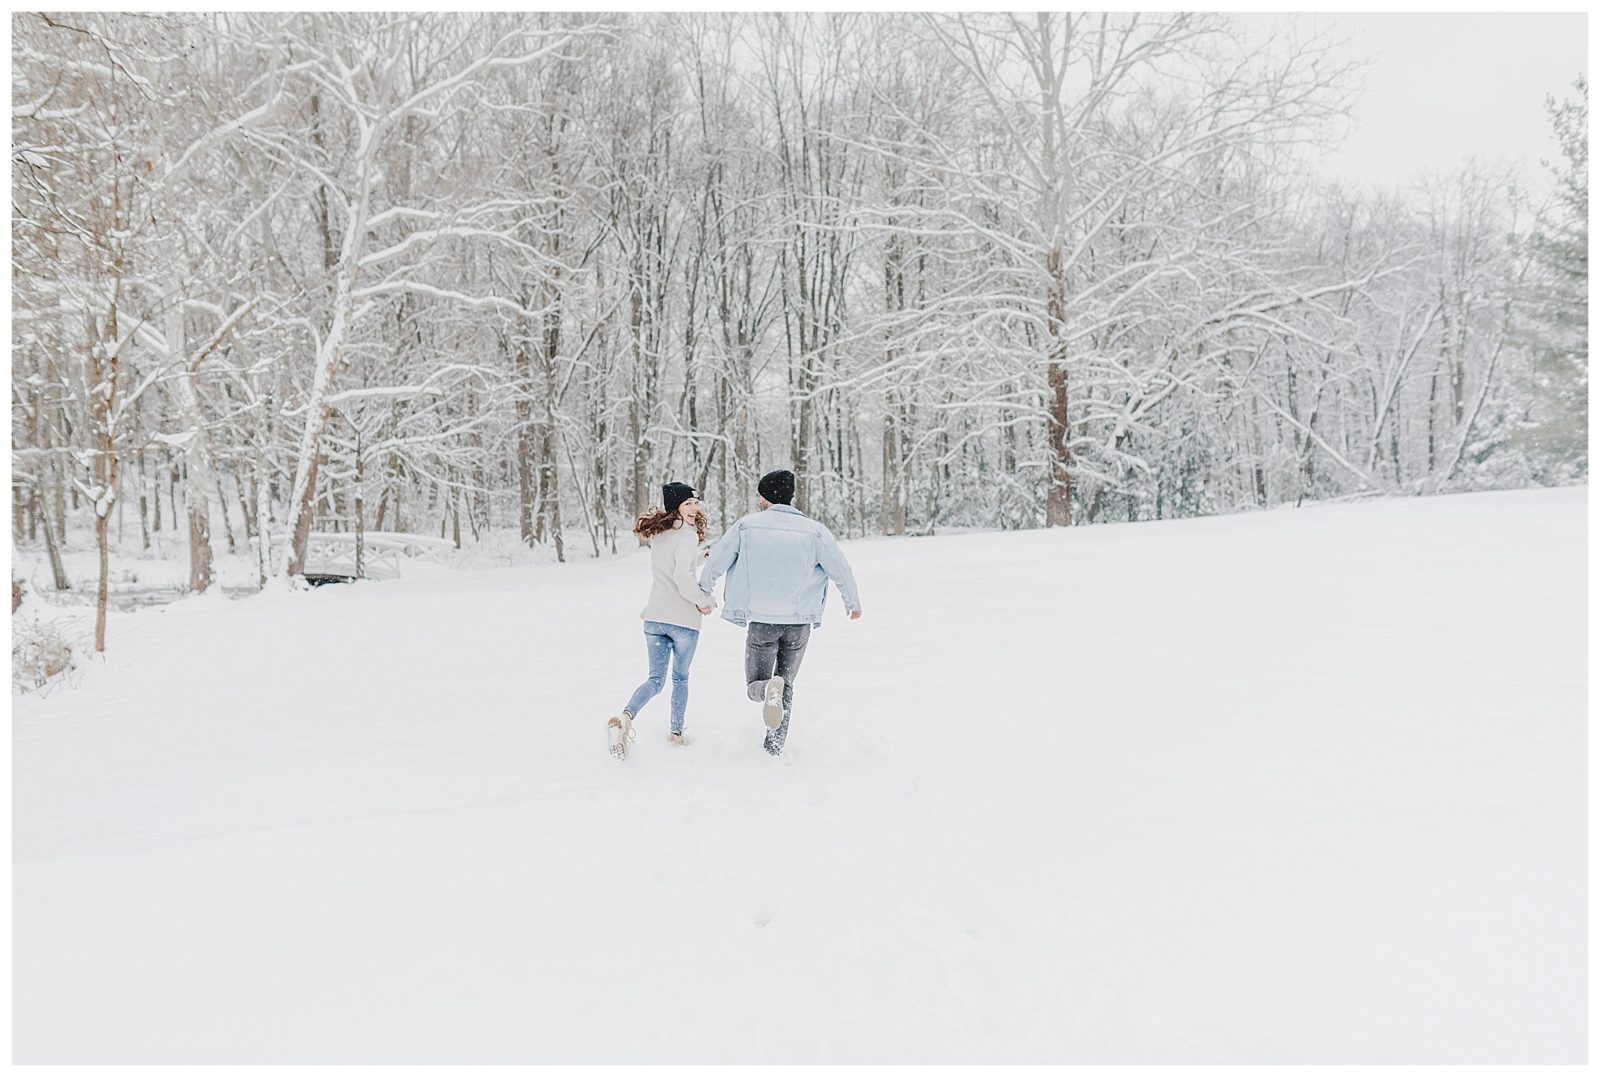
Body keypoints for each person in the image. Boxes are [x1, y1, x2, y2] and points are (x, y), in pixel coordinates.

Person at [697, 469, 861, 756]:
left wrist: (704, 591)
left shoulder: (746, 526)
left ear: (765, 496)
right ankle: (773, 747)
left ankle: (766, 690)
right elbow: (840, 568)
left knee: (755, 686)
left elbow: (717, 561)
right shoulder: (815, 531)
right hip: (799, 624)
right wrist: (852, 602)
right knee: (786, 684)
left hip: (763, 621)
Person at [607, 482, 715, 760]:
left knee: (655, 680)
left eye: (696, 502)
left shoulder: (659, 534)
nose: (695, 508)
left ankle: (625, 716)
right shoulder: (688, 535)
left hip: (655, 618)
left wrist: (703, 557)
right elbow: (682, 576)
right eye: (689, 503)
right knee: (680, 678)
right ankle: (676, 734)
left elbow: (677, 565)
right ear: (677, 505)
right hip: (683, 621)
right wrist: (703, 601)